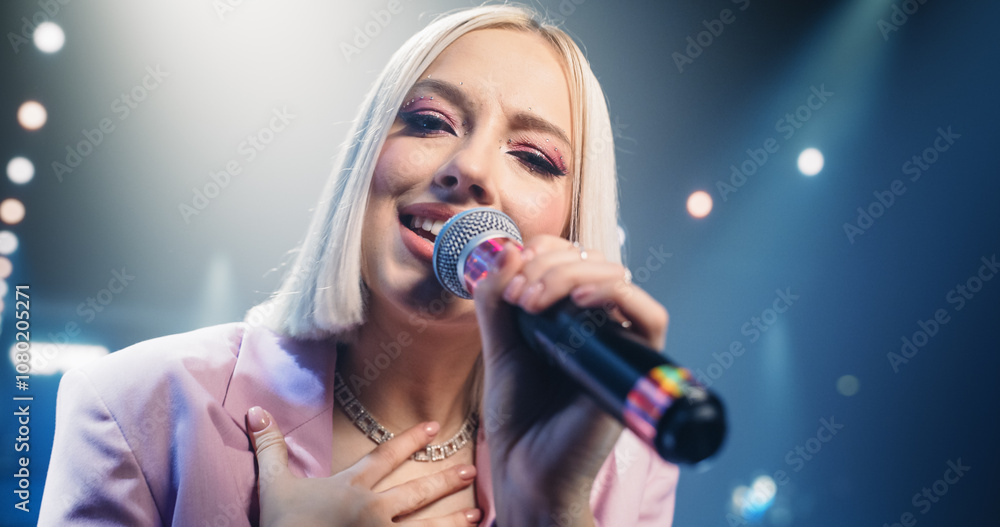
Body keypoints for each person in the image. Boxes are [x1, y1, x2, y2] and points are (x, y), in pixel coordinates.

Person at [38, 4, 679, 526]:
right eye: (429, 121)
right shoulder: (133, 407)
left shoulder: (629, 465)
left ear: (571, 225)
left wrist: (553, 512)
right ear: (365, 157)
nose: (470, 167)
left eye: (534, 158)